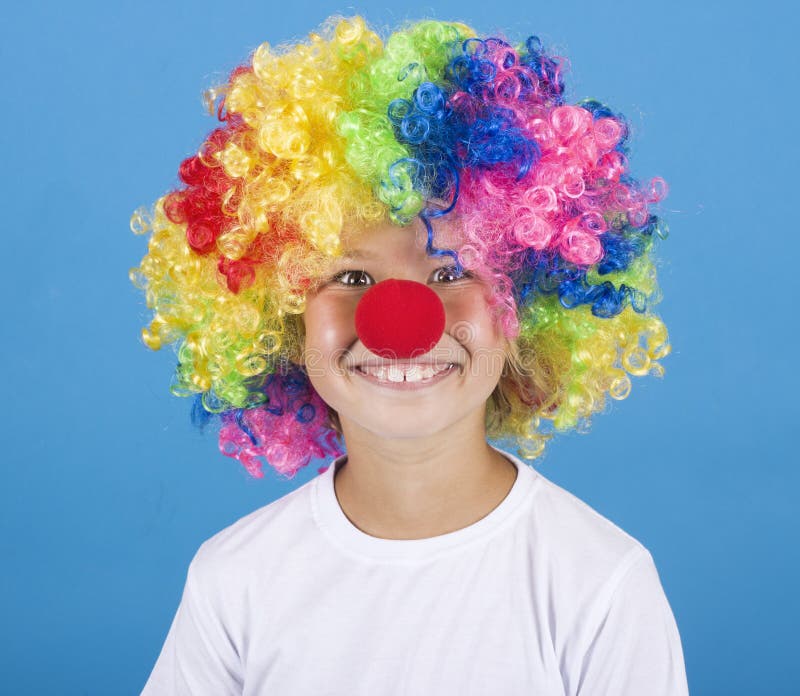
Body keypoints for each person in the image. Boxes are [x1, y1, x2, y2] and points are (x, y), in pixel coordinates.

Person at [132, 15, 689, 695]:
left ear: (527, 308)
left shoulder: (598, 586)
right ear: (282, 319)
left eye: (451, 272)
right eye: (354, 279)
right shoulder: (236, 580)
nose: (403, 322)